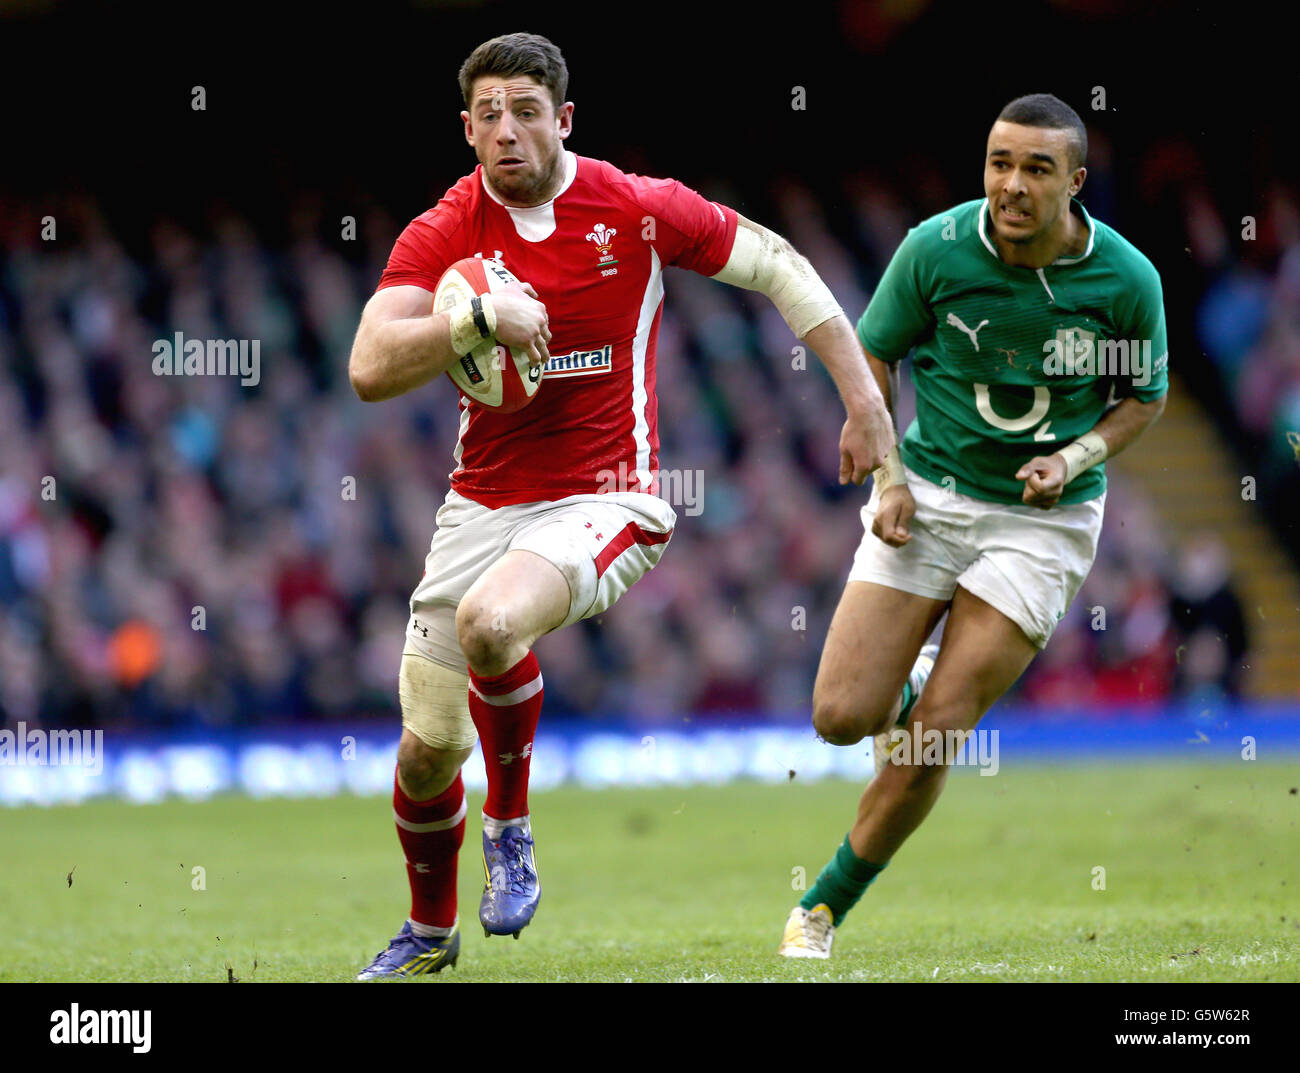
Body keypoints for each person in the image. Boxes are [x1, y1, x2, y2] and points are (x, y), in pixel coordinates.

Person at [348, 32, 894, 978]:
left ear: (563, 119)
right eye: (488, 114)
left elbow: (777, 264)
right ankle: (430, 933)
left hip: (609, 499)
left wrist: (864, 399)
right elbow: (368, 366)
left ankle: (509, 829)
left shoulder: (634, 207)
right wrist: (476, 319)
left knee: (491, 623)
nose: (507, 131)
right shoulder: (445, 229)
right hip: (479, 506)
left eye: (526, 111)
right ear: (467, 130)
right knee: (426, 753)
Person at [778, 93, 1168, 958]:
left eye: (1036, 168)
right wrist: (887, 474)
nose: (1012, 184)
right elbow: (873, 353)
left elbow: (1146, 394)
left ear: (1076, 181)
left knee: (937, 731)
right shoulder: (936, 249)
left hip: (1043, 520)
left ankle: (822, 907)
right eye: (1000, 162)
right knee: (841, 716)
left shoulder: (1126, 280)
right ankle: (908, 686)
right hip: (930, 491)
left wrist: (1073, 457)